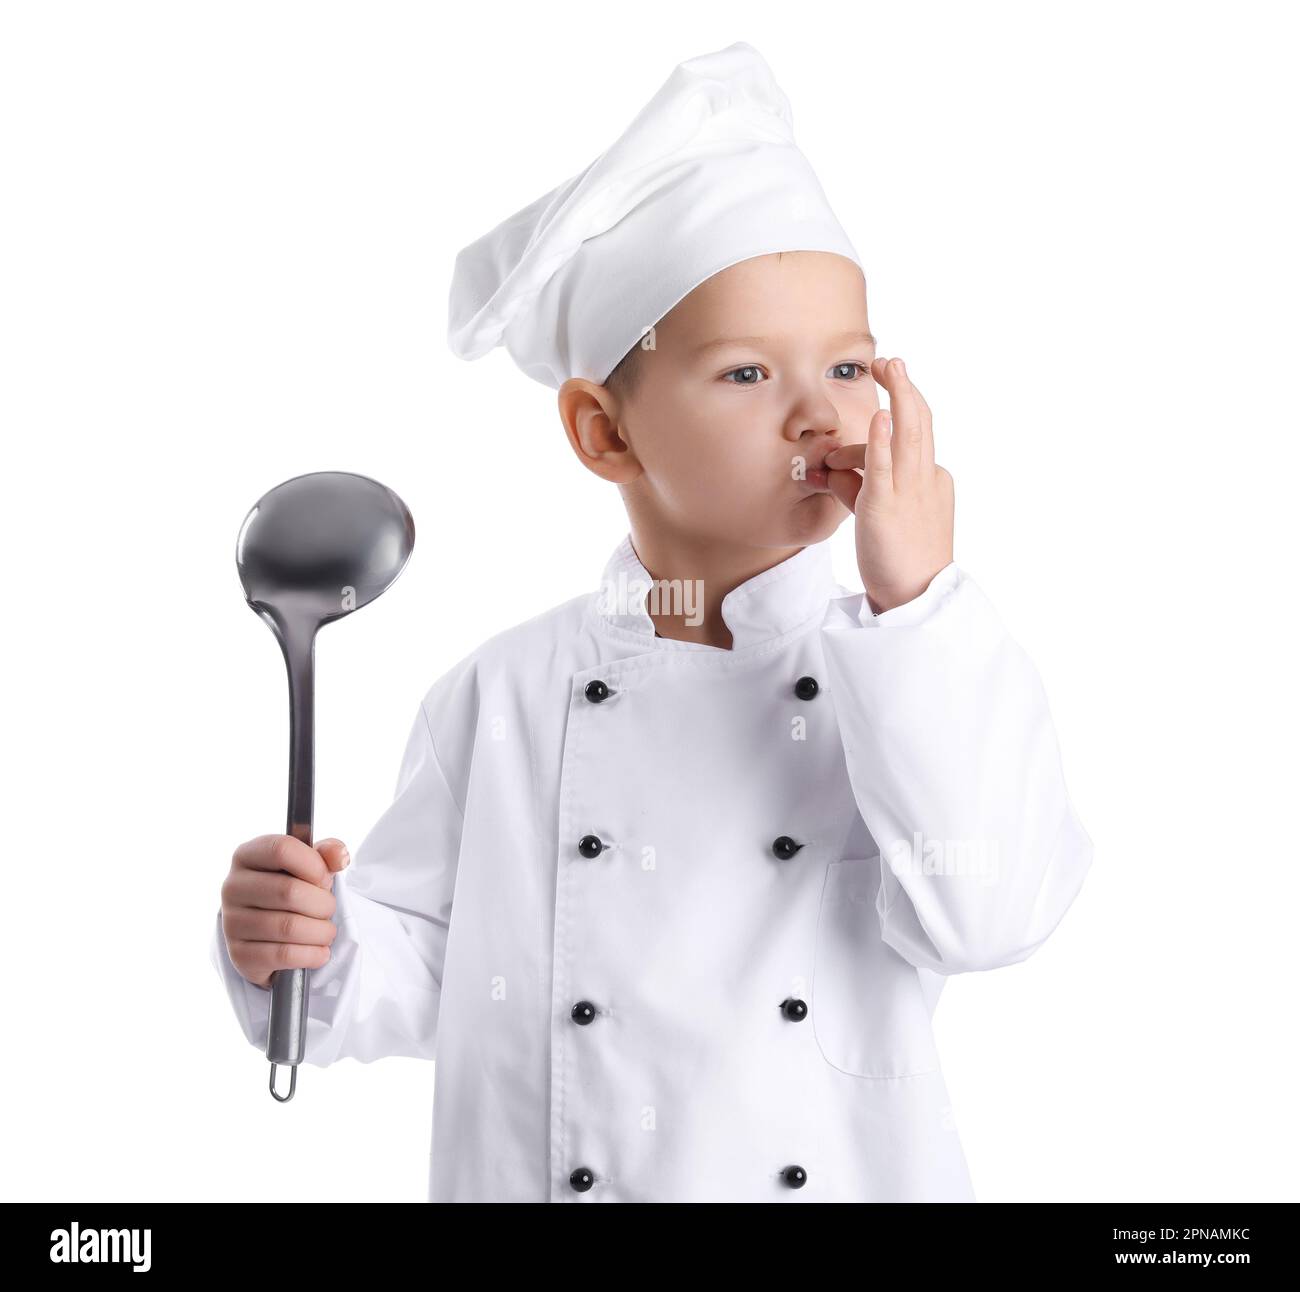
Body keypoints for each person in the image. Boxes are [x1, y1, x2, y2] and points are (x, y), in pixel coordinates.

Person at [211, 39, 1093, 1202]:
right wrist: (304, 944)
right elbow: (427, 966)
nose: (815, 414)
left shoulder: (912, 665)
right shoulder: (504, 694)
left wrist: (913, 596)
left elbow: (986, 915)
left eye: (844, 365)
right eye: (744, 374)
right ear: (603, 434)